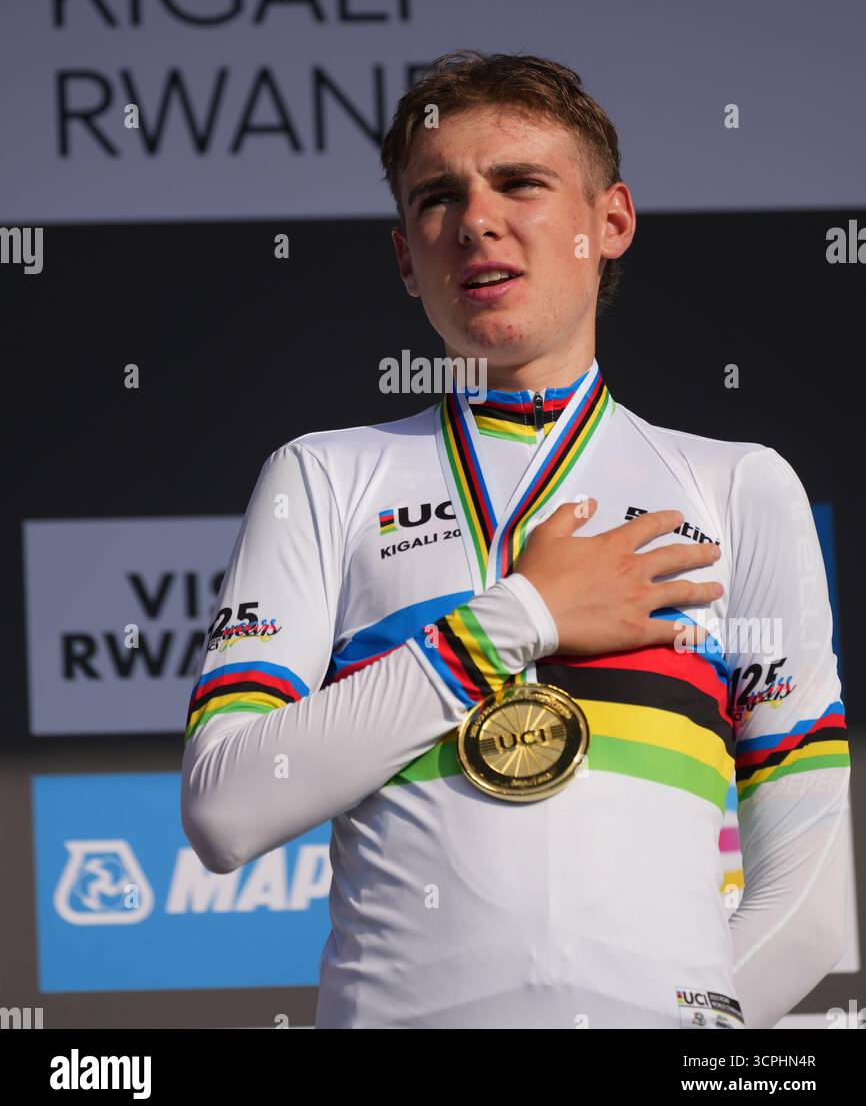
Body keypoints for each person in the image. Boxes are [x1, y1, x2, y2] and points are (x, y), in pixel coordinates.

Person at [181, 51, 851, 1029]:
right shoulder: (323, 476)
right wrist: (513, 621)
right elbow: (225, 807)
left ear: (607, 222)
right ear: (407, 255)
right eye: (436, 198)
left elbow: (809, 896)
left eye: (520, 182)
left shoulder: (737, 487)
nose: (477, 219)